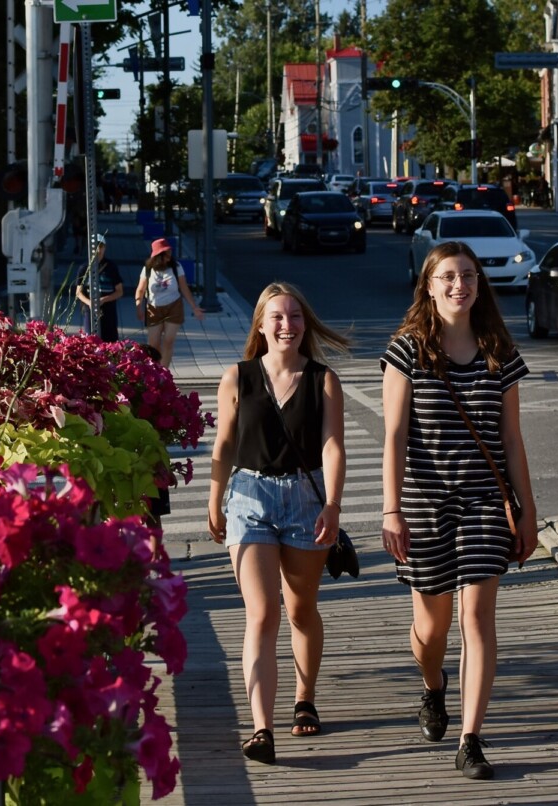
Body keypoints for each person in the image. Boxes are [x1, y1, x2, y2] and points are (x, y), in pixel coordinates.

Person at [380, 242, 536, 780]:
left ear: (479, 284)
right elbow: (395, 435)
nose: (458, 286)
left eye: (467, 276)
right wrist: (390, 510)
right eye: (447, 277)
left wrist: (529, 513)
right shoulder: (407, 350)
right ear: (429, 286)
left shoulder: (499, 349)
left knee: (477, 618)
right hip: (424, 502)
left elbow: (512, 439)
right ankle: (433, 685)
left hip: (484, 503)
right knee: (433, 627)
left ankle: (471, 738)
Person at [206, 282, 350, 766]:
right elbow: (224, 444)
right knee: (262, 613)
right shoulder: (237, 378)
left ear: (304, 324)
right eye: (277, 317)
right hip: (249, 496)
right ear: (261, 326)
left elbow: (332, 445)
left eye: (295, 317)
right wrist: (214, 497)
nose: (287, 325)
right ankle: (262, 727)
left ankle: (304, 696)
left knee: (300, 609)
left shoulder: (323, 380)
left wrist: (333, 503)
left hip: (305, 499)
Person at [134, 238, 205, 369]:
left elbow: (184, 288)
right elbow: (140, 289)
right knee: (153, 344)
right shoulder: (148, 269)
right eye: (165, 253)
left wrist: (194, 307)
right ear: (158, 256)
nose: (169, 256)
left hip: (174, 307)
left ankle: (164, 371)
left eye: (169, 252)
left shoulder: (176, 267)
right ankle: (155, 370)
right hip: (154, 308)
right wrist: (139, 306)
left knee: (168, 341)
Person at [74, 234, 125, 342]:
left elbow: (119, 291)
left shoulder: (111, 267)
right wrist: (89, 302)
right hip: (89, 309)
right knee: (91, 340)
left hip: (108, 309)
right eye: (94, 247)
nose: (98, 250)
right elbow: (78, 292)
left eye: (100, 246)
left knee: (110, 341)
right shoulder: (84, 268)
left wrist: (104, 300)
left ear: (104, 248)